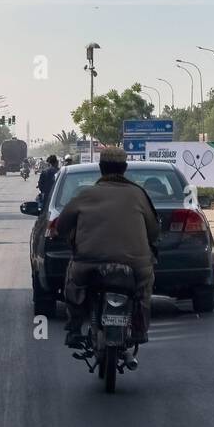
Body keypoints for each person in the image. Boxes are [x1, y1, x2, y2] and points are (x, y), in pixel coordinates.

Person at [55, 148, 158, 362]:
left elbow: (62, 225)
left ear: (101, 168)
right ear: (125, 168)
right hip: (136, 263)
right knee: (143, 289)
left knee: (73, 284)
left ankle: (74, 329)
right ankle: (139, 329)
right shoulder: (139, 194)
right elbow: (154, 230)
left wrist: (70, 238)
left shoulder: (85, 194)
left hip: (88, 262)